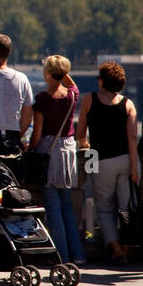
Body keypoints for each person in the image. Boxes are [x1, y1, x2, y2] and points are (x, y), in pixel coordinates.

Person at [77, 61, 140, 264]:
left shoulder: (89, 100)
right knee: (125, 207)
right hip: (124, 158)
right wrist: (134, 167)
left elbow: (81, 135)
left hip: (97, 158)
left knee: (102, 207)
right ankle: (126, 249)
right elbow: (132, 138)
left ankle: (114, 247)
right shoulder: (128, 104)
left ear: (102, 81)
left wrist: (86, 145)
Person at [28, 56, 84, 264]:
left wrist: (29, 147)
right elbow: (73, 85)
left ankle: (61, 256)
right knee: (67, 205)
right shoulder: (71, 95)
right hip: (68, 149)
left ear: (48, 74)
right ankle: (78, 254)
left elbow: (37, 135)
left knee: (52, 206)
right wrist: (61, 71)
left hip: (50, 152)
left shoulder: (42, 99)